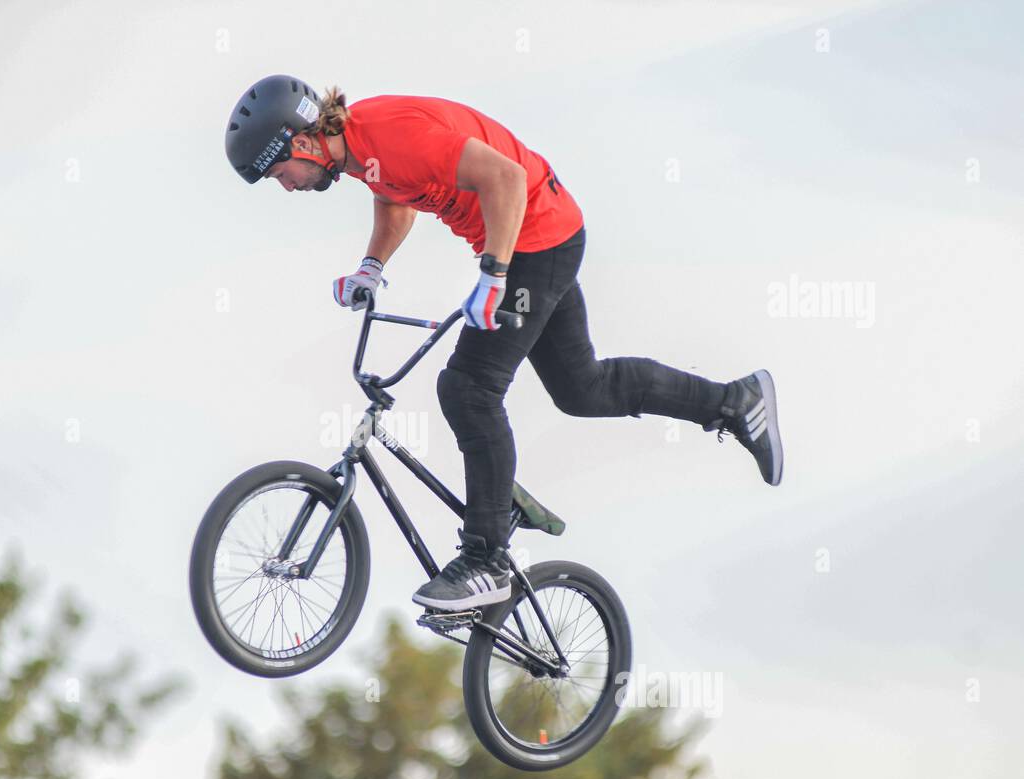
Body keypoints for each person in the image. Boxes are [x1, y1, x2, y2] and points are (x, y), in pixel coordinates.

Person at [225, 74, 783, 613]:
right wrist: (371, 267)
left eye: (280, 172)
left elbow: (507, 178)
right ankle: (735, 402)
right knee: (581, 388)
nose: (287, 186)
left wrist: (494, 274)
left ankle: (487, 557)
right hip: (543, 238)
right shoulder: (359, 150)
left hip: (535, 242)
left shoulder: (394, 131)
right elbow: (396, 194)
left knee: (468, 387)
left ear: (302, 142)